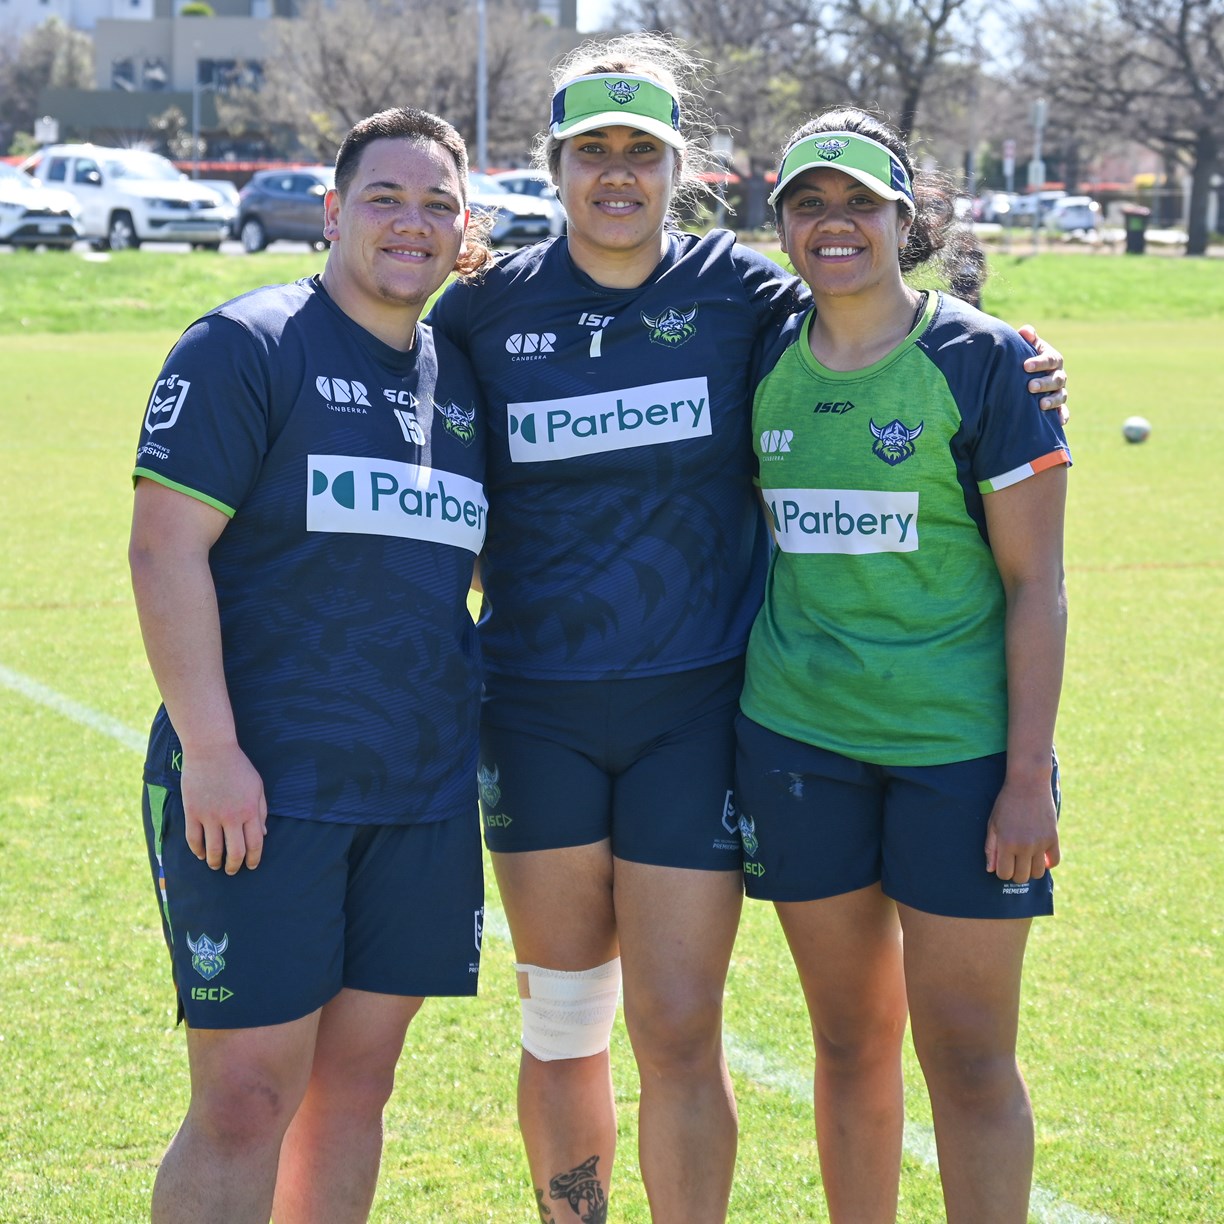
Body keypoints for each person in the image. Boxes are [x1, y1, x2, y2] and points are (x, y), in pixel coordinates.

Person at [429, 34, 1067, 1223]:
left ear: (685, 170)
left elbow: (883, 314)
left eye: (643, 152)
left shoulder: (744, 296)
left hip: (696, 720)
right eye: (591, 151)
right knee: (563, 1024)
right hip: (533, 712)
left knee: (678, 1027)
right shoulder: (484, 313)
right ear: (555, 165)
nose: (616, 173)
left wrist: (1018, 353)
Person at [128, 107, 493, 1224]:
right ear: (333, 212)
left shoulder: (468, 383)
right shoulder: (247, 344)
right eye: (385, 197)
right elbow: (163, 548)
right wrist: (215, 751)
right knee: (245, 1097)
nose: (410, 223)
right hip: (262, 787)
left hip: (420, 793)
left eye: (437, 204)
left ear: (462, 232)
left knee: (355, 1091)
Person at [734, 107, 1070, 1223]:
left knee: (970, 1057)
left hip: (959, 756)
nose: (836, 225)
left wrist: (1029, 775)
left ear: (905, 218)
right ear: (779, 220)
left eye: (860, 204)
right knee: (846, 1041)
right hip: (799, 743)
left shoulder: (985, 361)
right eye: (809, 204)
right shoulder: (758, 350)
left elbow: (1037, 587)